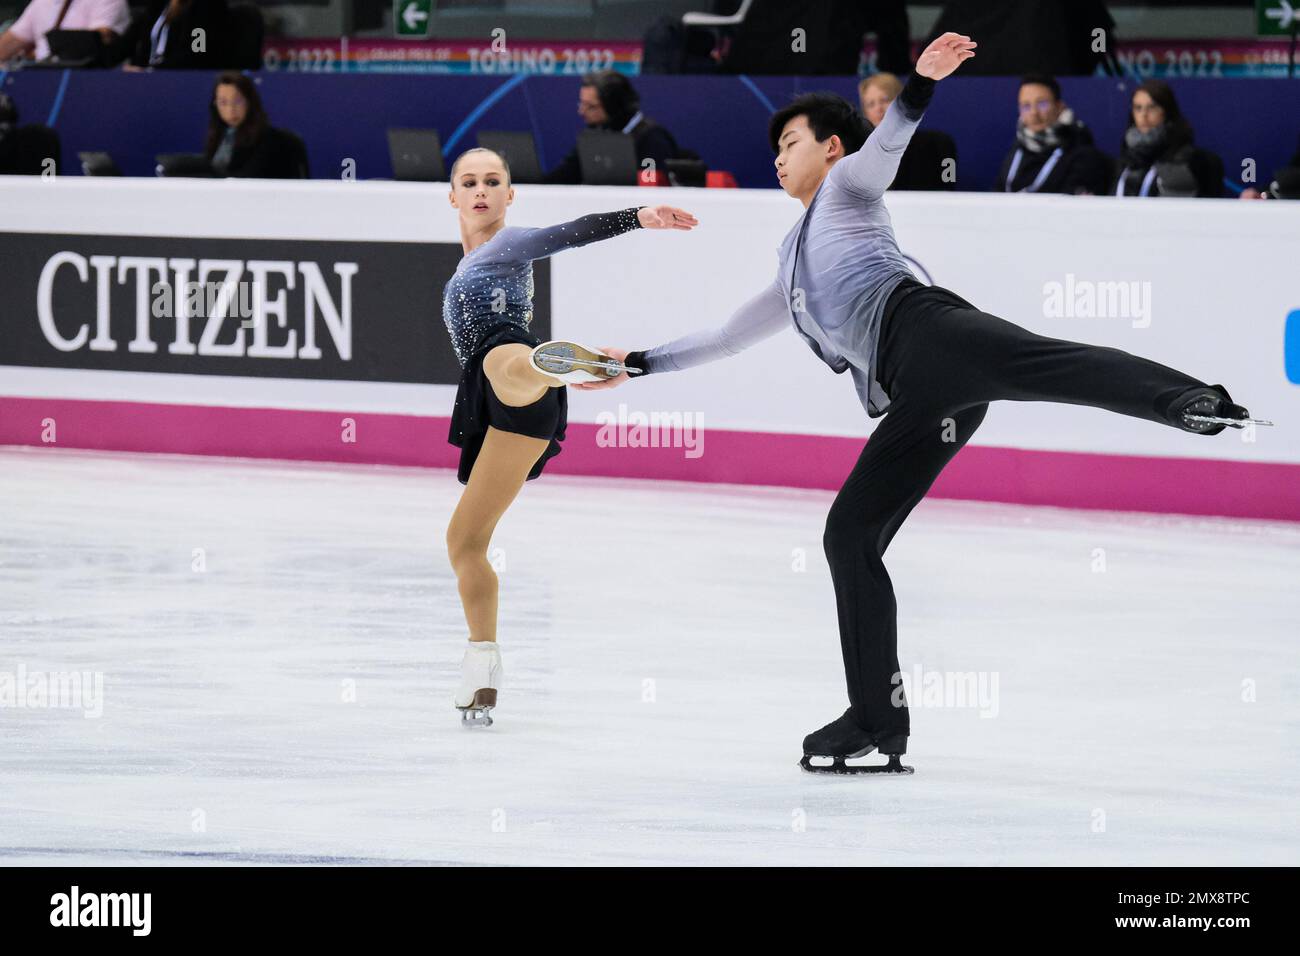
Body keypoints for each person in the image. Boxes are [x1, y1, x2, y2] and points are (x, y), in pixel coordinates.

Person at [575, 33, 1267, 774]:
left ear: (831, 148)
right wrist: (640, 363)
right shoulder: (789, 262)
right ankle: (876, 719)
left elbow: (888, 146)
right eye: (774, 146)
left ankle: (1193, 402)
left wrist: (919, 85)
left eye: (790, 141)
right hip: (925, 394)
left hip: (934, 337)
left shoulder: (848, 187)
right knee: (851, 536)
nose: (778, 156)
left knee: (1057, 366)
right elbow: (727, 336)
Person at [443, 146, 697, 725]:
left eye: (494, 182)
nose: (482, 190)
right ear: (453, 196)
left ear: (511, 196)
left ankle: (543, 362)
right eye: (469, 182)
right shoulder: (473, 259)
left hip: (505, 365)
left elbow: (570, 233)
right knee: (464, 542)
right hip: (525, 411)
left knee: (504, 360)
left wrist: (637, 216)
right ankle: (482, 666)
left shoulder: (507, 243)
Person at [543, 71, 679, 184]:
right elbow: (564, 176)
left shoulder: (651, 138)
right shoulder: (593, 135)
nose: (581, 111)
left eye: (591, 106)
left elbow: (652, 190)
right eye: (582, 104)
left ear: (615, 106)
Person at [994, 73, 1112, 195]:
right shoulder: (1016, 150)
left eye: (1042, 104)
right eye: (1026, 106)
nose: (1034, 112)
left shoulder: (1082, 154)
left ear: (1059, 106)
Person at [1114, 79, 1223, 198]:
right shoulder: (1126, 159)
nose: (1144, 114)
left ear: (1166, 111)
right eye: (1138, 108)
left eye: (1152, 107)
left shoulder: (1187, 159)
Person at [858, 72, 956, 191]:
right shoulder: (860, 153)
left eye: (884, 100)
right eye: (870, 104)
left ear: (901, 101)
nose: (878, 108)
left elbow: (949, 184)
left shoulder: (940, 143)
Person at [204, 71, 307, 179]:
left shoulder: (267, 139)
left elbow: (246, 178)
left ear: (250, 102)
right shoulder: (219, 135)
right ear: (215, 104)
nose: (231, 110)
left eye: (238, 101)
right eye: (223, 102)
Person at [107, 0, 233, 70]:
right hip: (144, 80)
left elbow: (197, 53)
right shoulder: (158, 5)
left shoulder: (207, 6)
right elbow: (128, 42)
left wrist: (151, 71)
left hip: (182, 81)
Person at [0, 0, 129, 63]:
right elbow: (9, 44)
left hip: (81, 79)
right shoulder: (42, 2)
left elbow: (96, 43)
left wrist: (35, 54)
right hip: (38, 74)